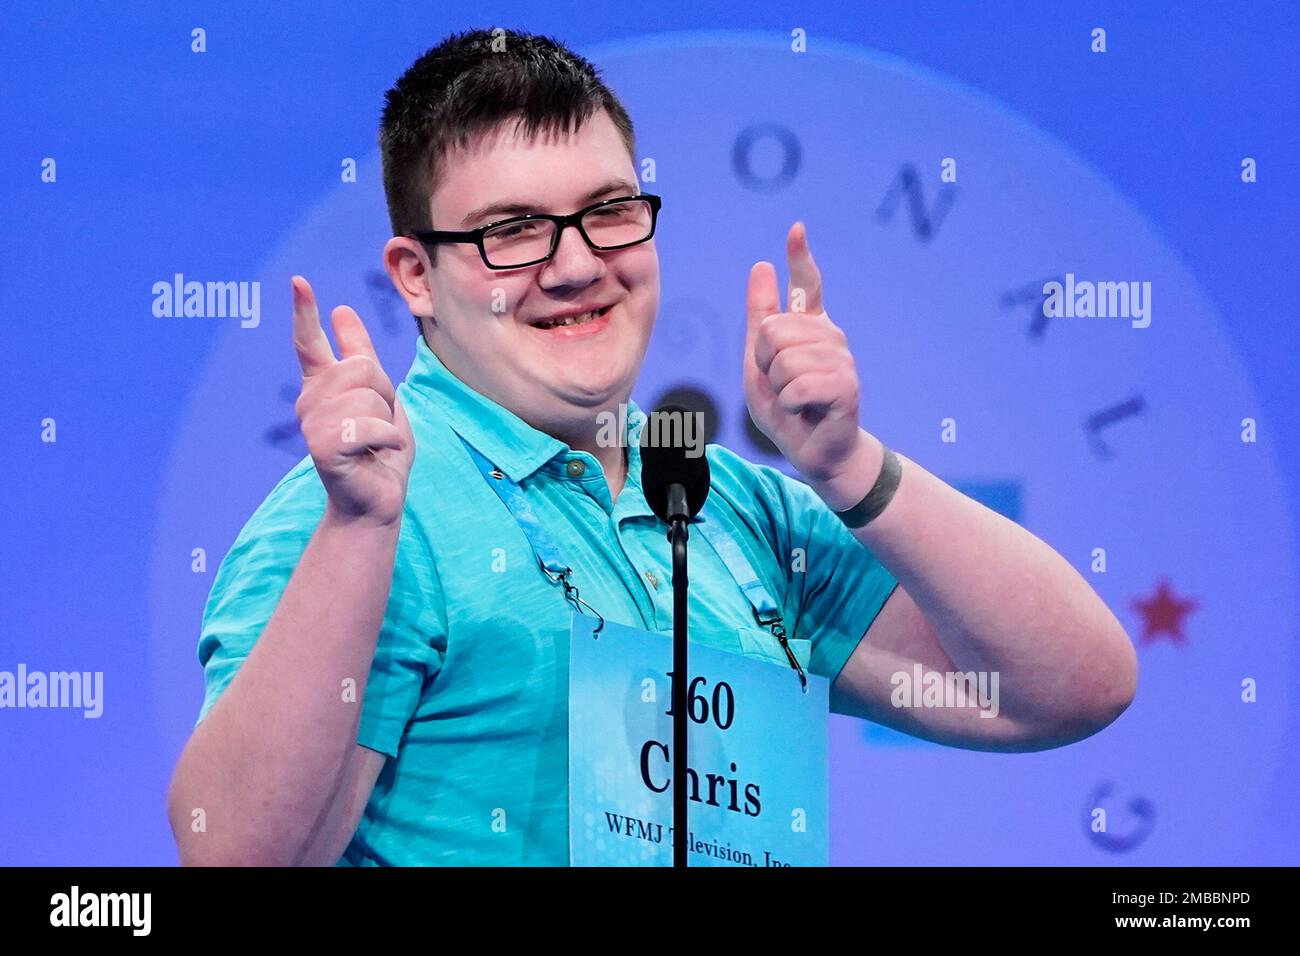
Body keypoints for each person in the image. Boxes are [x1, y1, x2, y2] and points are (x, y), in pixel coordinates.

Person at [166, 27, 1137, 866]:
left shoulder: (733, 506)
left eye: (609, 211)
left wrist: (848, 467)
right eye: (513, 231)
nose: (579, 264)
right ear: (415, 274)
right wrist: (358, 528)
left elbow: (1069, 688)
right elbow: (232, 846)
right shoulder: (363, 515)